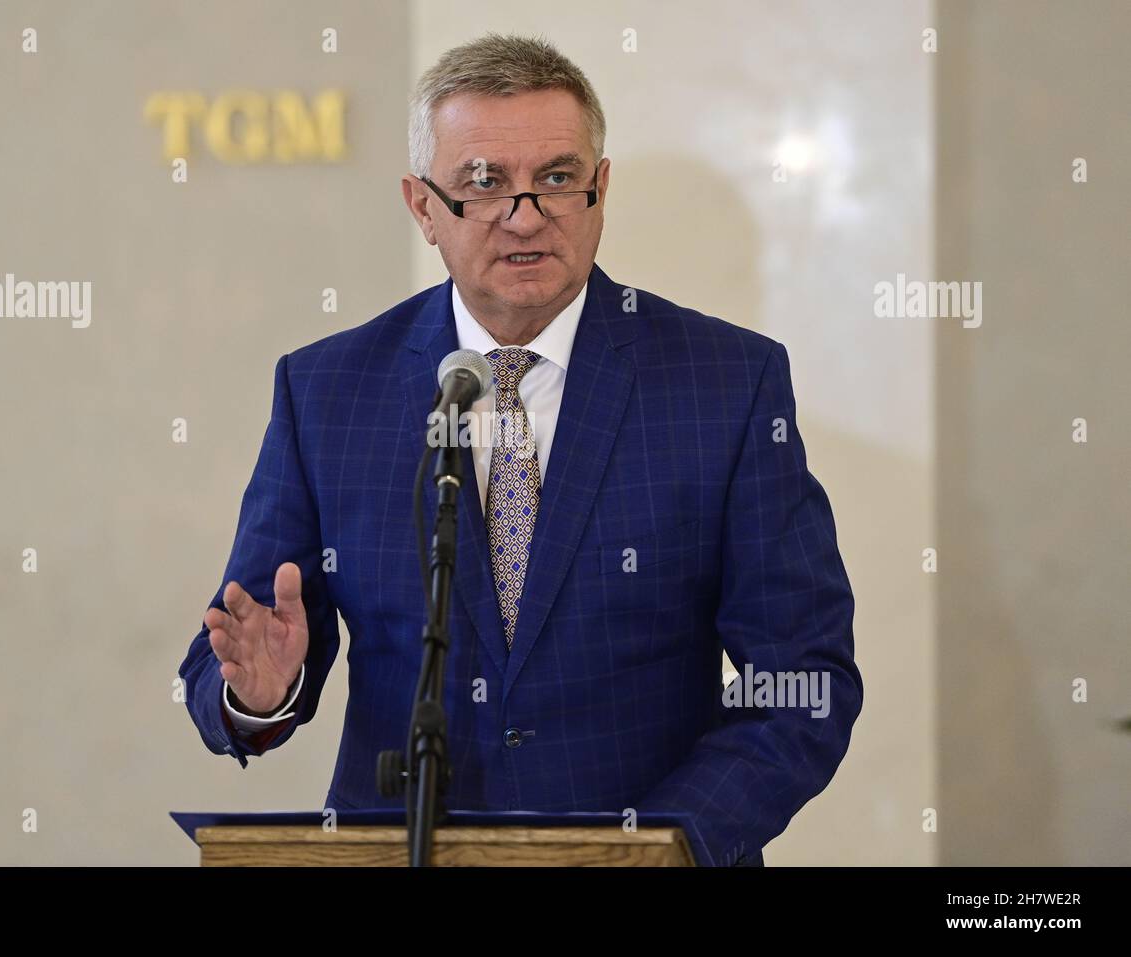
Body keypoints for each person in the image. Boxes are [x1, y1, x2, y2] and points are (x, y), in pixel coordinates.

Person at [178, 33, 862, 867]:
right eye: (484, 183)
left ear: (601, 191)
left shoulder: (727, 384)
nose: (525, 215)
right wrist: (262, 691)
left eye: (558, 180)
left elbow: (802, 686)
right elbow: (237, 652)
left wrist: (660, 845)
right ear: (422, 206)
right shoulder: (328, 391)